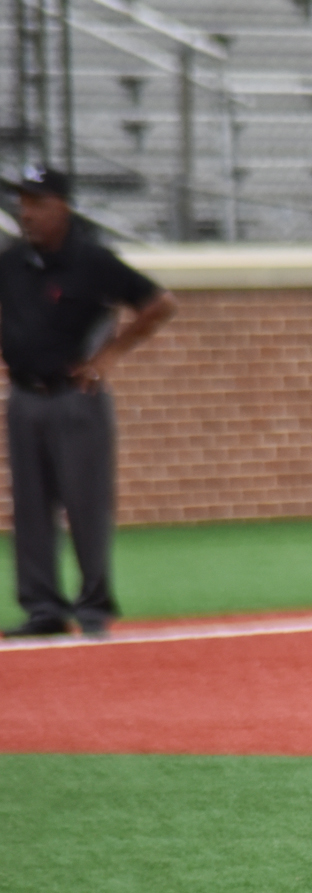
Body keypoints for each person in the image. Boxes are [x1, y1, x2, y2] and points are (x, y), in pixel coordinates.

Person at [1, 166, 176, 639]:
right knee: (30, 509)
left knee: (86, 505)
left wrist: (108, 355)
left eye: (37, 204)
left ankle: (94, 608)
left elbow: (158, 303)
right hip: (25, 397)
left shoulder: (92, 261)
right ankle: (42, 608)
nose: (26, 213)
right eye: (22, 204)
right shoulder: (12, 263)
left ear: (61, 206)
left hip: (75, 398)